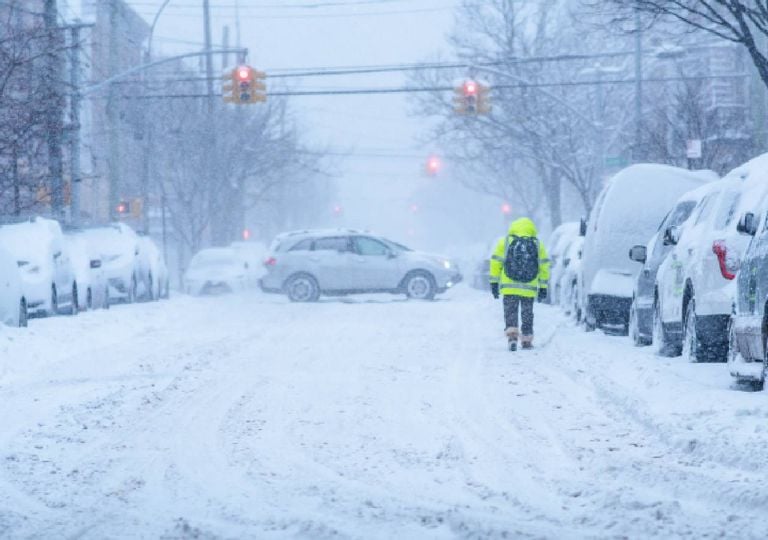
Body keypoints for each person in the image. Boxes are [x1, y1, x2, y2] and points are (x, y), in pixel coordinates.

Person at [489, 217, 550, 351]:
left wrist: (494, 283)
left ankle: (512, 337)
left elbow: (495, 262)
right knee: (527, 313)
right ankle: (527, 339)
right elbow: (544, 266)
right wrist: (543, 287)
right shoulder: (537, 244)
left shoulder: (505, 242)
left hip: (509, 287)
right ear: (532, 229)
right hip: (529, 287)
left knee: (510, 311)